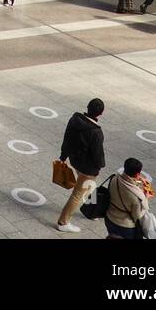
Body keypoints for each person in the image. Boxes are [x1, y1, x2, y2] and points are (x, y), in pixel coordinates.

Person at [56, 98, 106, 233]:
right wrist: (101, 165)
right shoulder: (96, 132)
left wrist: (63, 156)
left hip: (75, 161)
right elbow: (98, 155)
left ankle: (92, 211)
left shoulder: (75, 120)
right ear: (100, 113)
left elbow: (67, 138)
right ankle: (63, 222)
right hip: (88, 168)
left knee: (89, 187)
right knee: (78, 194)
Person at [105, 158, 151, 239]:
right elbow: (137, 216)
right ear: (137, 174)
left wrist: (137, 182)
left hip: (109, 218)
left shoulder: (114, 178)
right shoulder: (137, 197)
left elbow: (125, 182)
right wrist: (145, 198)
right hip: (125, 227)